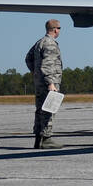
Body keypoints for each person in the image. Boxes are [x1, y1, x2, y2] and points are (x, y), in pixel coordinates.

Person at [25, 19, 63, 149]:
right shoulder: (50, 44)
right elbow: (47, 64)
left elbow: (28, 59)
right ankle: (46, 138)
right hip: (49, 83)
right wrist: (50, 82)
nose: (59, 31)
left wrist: (36, 72)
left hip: (40, 82)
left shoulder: (39, 42)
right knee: (49, 110)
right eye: (59, 28)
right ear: (55, 29)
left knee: (40, 110)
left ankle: (38, 139)